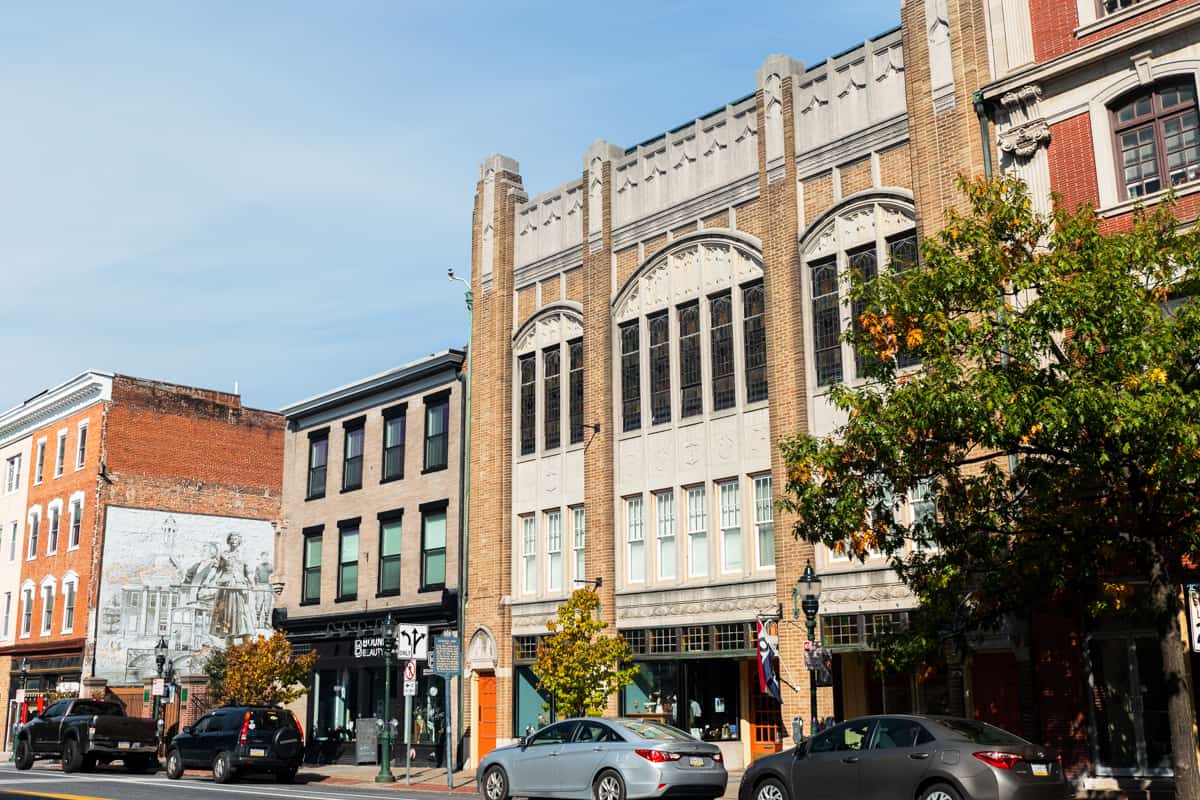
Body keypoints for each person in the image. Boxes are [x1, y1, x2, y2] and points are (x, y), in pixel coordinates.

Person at [210, 533, 257, 641]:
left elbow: (248, 572)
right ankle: (228, 638)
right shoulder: (223, 554)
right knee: (226, 612)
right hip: (226, 585)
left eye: (236, 539)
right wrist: (209, 581)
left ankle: (244, 637)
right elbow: (216, 569)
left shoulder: (243, 555)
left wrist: (252, 584)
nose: (234, 541)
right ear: (229, 541)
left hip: (239, 586)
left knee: (241, 611)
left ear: (239, 541)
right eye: (232, 539)